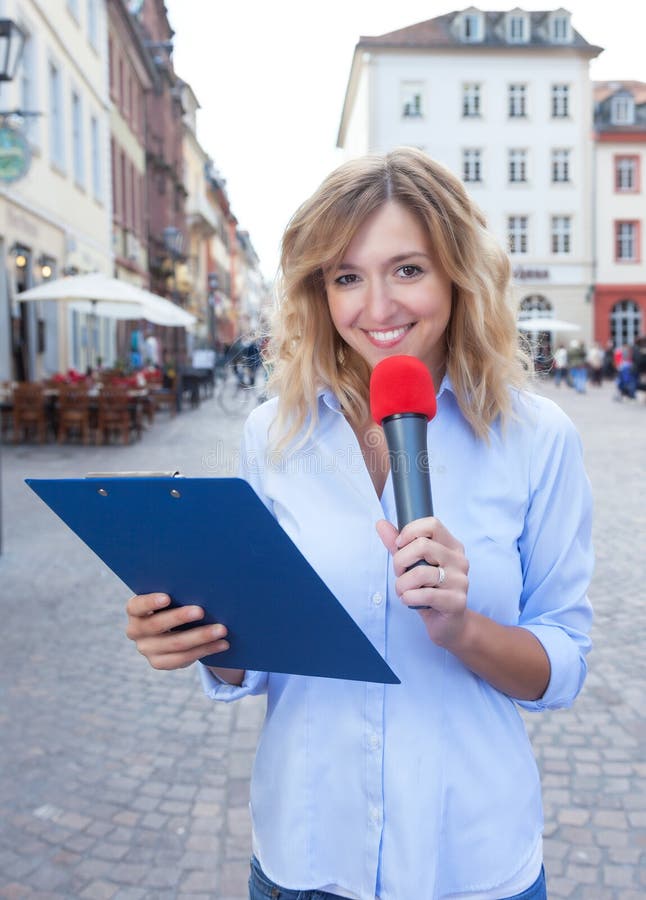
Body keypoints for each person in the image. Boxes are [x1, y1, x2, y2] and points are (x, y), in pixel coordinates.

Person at [125, 148, 593, 900]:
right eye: (346, 276)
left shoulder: (537, 438)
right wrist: (201, 639)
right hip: (308, 854)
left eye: (407, 269)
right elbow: (256, 662)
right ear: (320, 291)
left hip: (469, 861)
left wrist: (462, 628)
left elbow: (562, 664)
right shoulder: (273, 435)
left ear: (457, 274)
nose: (376, 308)